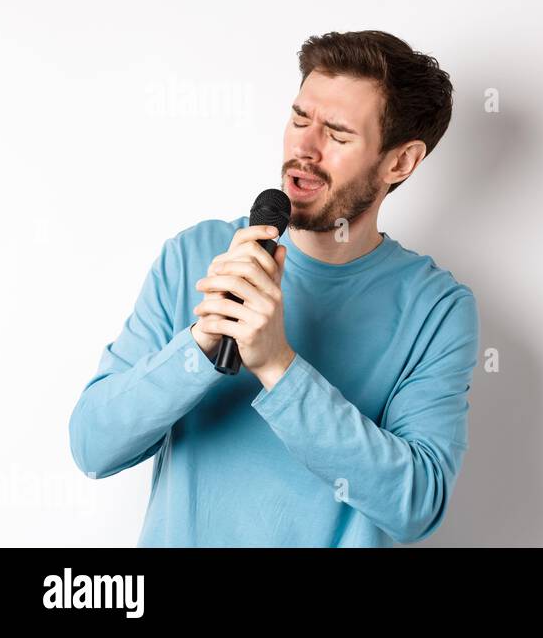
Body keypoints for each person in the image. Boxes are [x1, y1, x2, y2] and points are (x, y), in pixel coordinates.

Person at [68, 30, 479, 547]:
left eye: (338, 133)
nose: (304, 148)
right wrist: (198, 344)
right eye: (300, 118)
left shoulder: (436, 309)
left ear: (400, 162)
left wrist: (276, 365)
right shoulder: (196, 256)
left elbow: (416, 505)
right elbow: (92, 447)